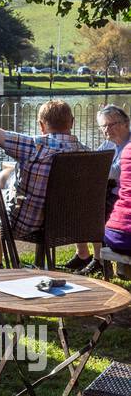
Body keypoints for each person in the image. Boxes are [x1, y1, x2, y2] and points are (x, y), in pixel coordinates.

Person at [0, 100, 84, 267]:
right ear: (72, 123)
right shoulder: (87, 153)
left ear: (41, 125)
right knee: (8, 173)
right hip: (68, 226)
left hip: (27, 223)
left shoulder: (33, 147)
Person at [66, 104, 131, 273]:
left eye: (111, 124)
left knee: (88, 206)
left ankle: (99, 260)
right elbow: (93, 161)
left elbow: (115, 172)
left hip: (120, 197)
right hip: (106, 192)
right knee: (74, 198)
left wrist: (89, 165)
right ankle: (83, 254)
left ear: (126, 123)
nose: (107, 130)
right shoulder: (108, 145)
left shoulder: (129, 145)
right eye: (103, 126)